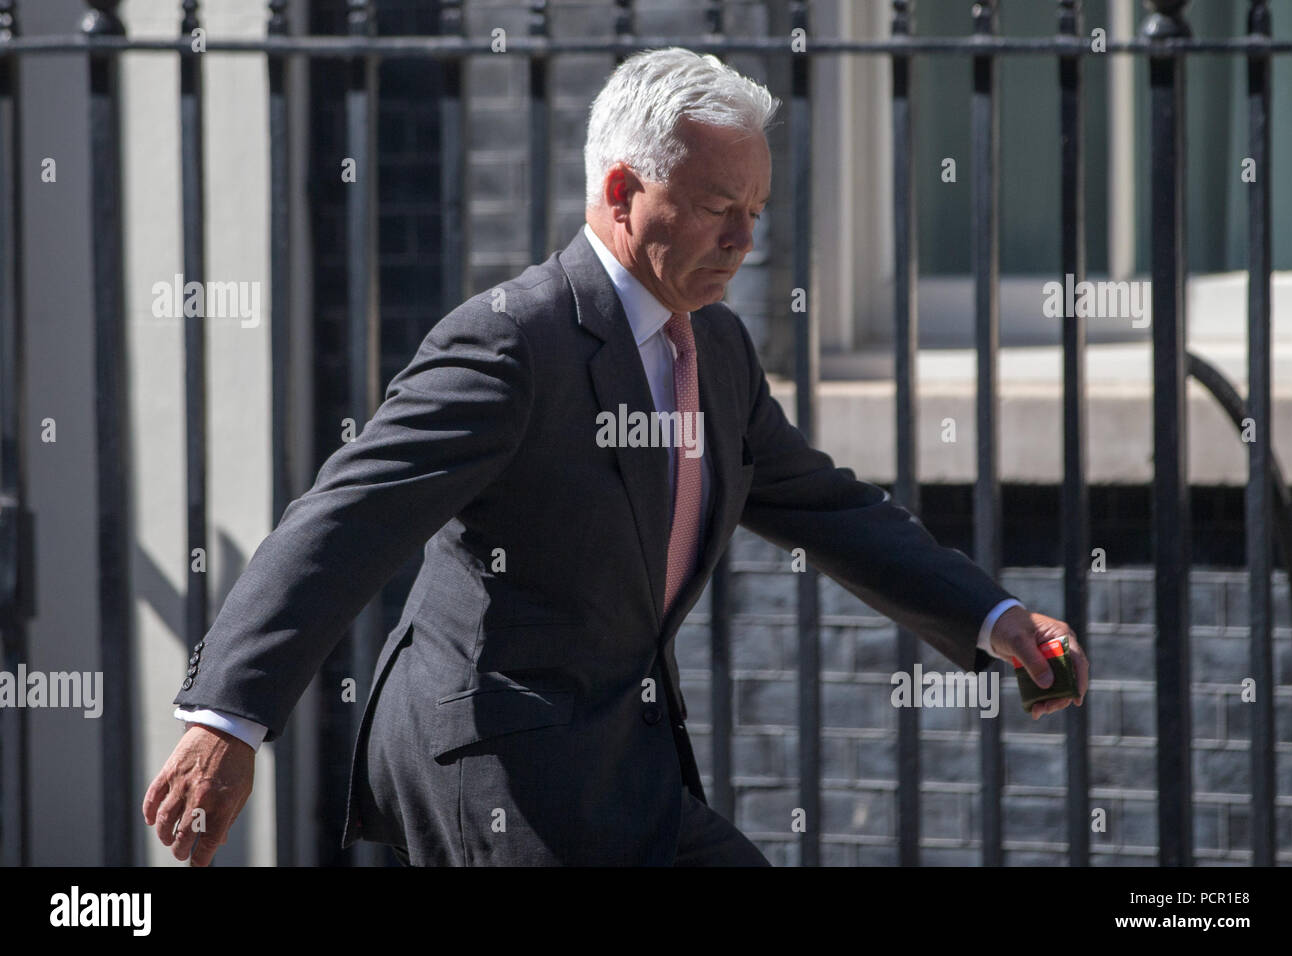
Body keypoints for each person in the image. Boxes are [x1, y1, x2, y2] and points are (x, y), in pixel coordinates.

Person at [143, 47, 1089, 867]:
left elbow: (824, 506)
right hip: (494, 760)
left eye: (756, 211)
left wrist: (992, 617)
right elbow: (348, 516)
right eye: (721, 207)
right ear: (624, 193)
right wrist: (225, 718)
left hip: (621, 762)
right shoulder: (514, 342)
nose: (746, 242)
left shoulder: (713, 350)